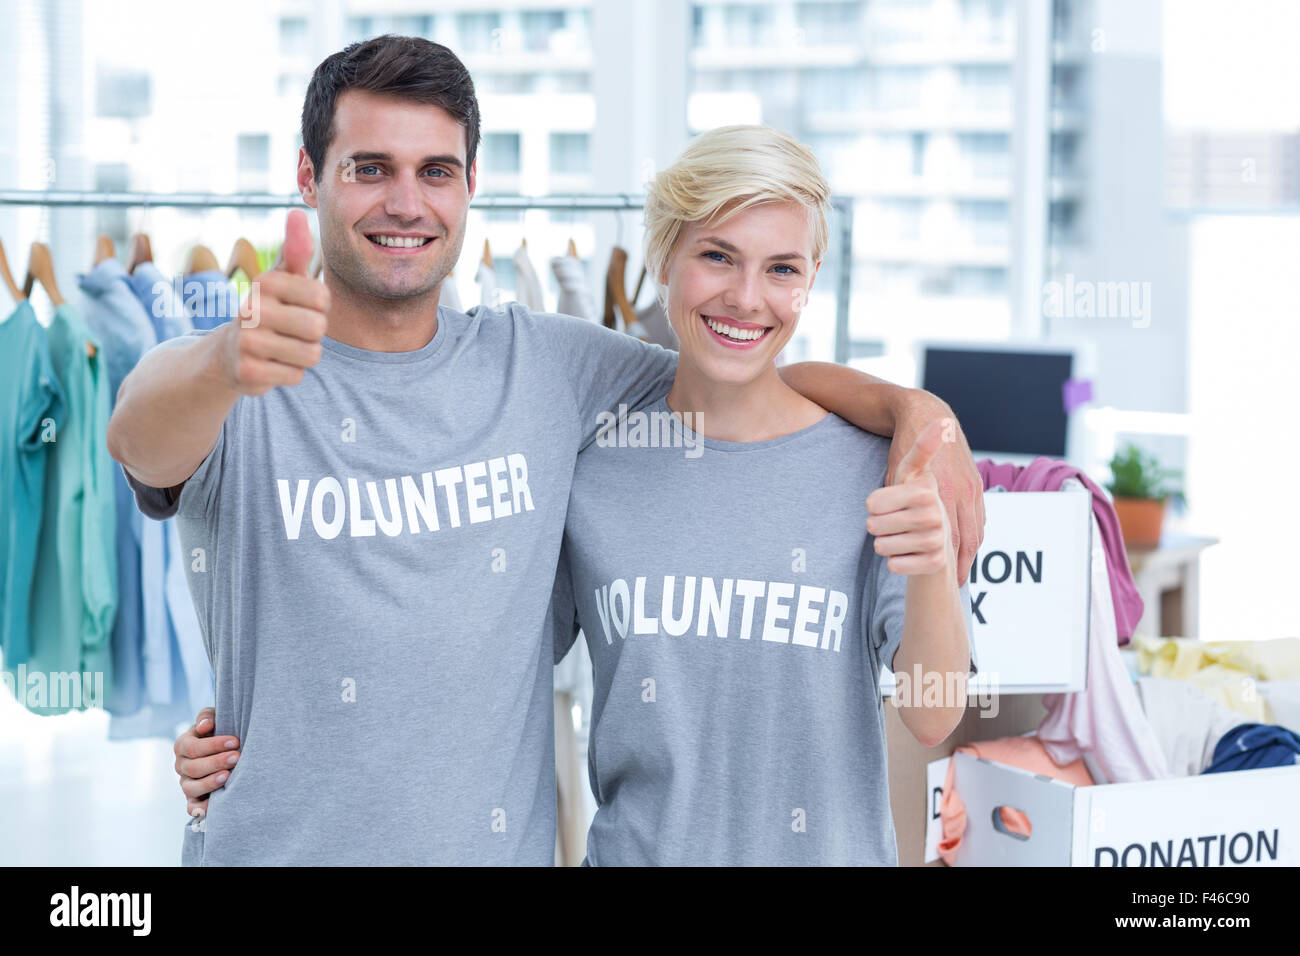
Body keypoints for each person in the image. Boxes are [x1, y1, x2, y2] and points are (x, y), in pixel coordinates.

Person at [133, 36, 985, 865]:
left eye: (435, 171)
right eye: (370, 168)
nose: (405, 202)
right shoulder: (239, 380)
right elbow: (133, 434)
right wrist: (222, 357)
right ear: (308, 177)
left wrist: (921, 415)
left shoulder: (549, 368)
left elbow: (737, 368)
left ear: (471, 185)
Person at [543, 125, 975, 865]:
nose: (746, 299)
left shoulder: (877, 466)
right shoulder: (592, 466)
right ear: (664, 258)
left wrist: (933, 562)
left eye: (781, 269)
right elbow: (504, 667)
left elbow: (933, 716)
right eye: (717, 256)